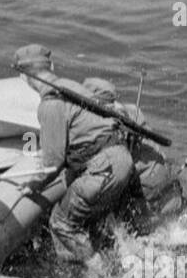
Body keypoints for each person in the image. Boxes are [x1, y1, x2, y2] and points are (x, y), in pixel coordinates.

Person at [14, 44, 135, 263]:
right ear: (51, 66)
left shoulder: (50, 104)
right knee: (96, 220)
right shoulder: (72, 86)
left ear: (23, 77)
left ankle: (99, 272)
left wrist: (34, 184)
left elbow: (53, 162)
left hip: (103, 168)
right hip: (121, 158)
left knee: (60, 222)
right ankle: (119, 261)